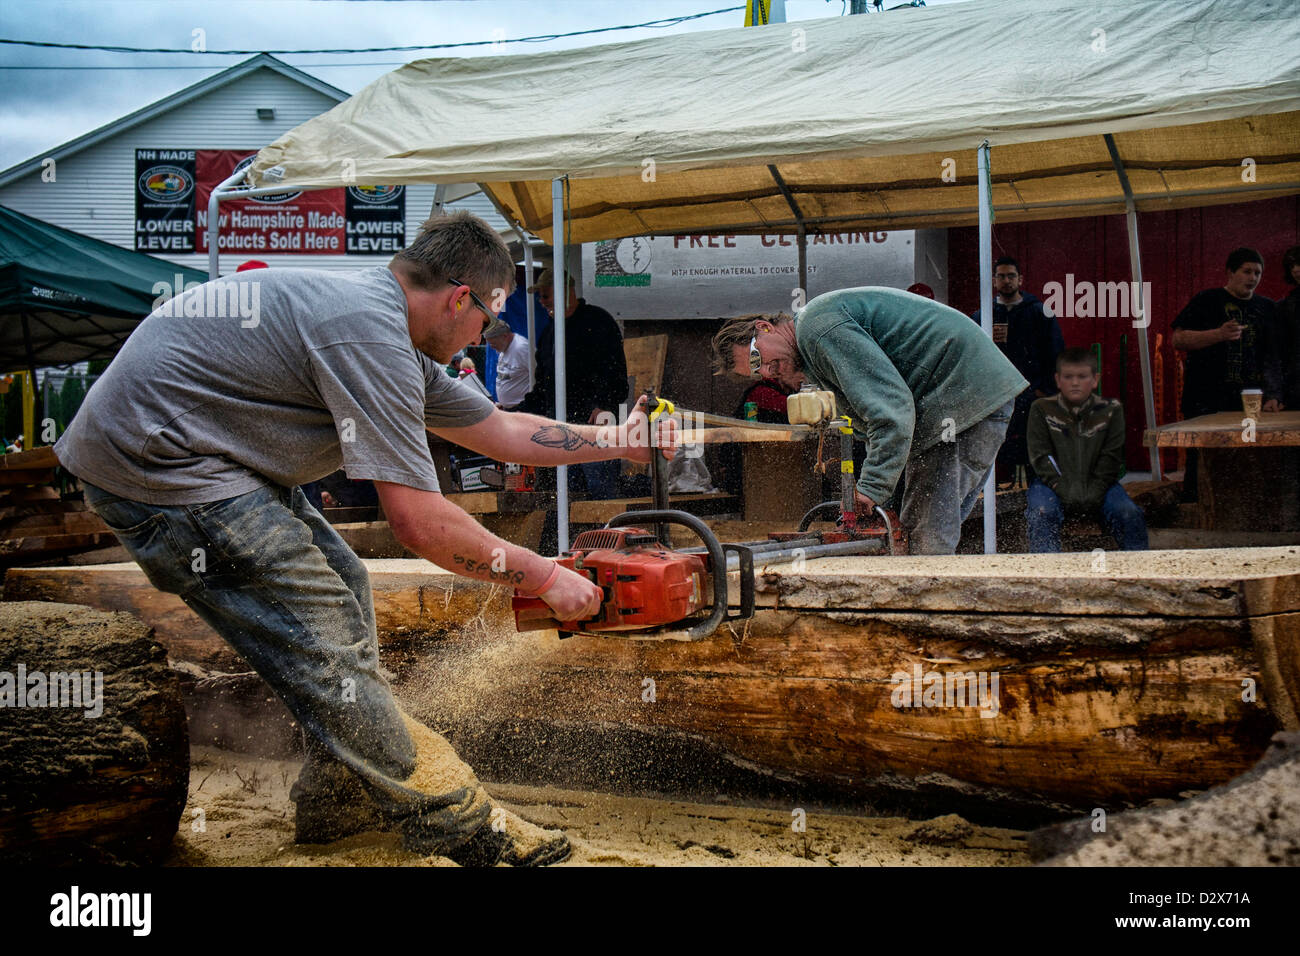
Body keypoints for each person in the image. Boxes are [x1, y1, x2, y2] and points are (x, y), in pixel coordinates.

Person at [54, 211, 675, 866]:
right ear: (460, 297)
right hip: (159, 469)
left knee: (344, 582)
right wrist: (543, 577)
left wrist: (615, 442)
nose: (483, 338)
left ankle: (339, 798)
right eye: (486, 321)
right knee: (325, 632)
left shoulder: (389, 328)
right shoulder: (367, 334)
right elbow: (420, 523)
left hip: (211, 454)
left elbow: (497, 430)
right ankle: (458, 823)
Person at [711, 287, 1027, 555]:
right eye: (756, 373)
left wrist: (872, 490)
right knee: (925, 527)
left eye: (757, 359)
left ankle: (922, 621)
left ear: (765, 327)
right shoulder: (815, 339)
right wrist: (883, 496)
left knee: (926, 537)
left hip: (959, 395)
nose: (767, 373)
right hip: (973, 395)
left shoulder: (816, 330)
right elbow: (879, 420)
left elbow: (890, 414)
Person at [1172, 246, 1278, 499]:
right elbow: (1178, 339)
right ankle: (1196, 514)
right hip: (1205, 396)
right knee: (1201, 461)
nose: (1252, 278)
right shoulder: (1206, 300)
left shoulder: (1268, 308)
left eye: (1257, 273)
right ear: (1230, 272)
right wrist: (1218, 334)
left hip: (1249, 399)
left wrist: (1273, 394)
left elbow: (1274, 357)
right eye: (1246, 271)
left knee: (1249, 458)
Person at [515, 268, 629, 498]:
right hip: (560, 430)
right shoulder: (549, 334)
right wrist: (514, 412)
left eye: (545, 295)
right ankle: (576, 536)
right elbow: (543, 388)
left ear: (566, 291)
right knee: (568, 497)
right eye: (540, 297)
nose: (541, 301)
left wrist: (604, 406)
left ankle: (606, 533)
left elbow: (616, 374)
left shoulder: (598, 322)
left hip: (595, 427)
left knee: (601, 496)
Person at [1025, 347, 1148, 552]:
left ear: (1095, 379)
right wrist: (1063, 488)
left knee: (1128, 513)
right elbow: (1040, 456)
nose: (1075, 382)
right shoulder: (1040, 409)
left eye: (1082, 376)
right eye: (1068, 377)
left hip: (1100, 483)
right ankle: (1045, 574)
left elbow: (1111, 457)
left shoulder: (1111, 410)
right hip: (1051, 483)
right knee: (1041, 512)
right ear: (1058, 380)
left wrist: (1093, 491)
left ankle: (1140, 572)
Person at [970, 256, 1065, 479]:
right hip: (997, 396)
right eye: (1001, 276)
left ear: (1020, 279)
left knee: (1036, 450)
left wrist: (1045, 390)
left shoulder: (1040, 313)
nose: (1006, 280)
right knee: (998, 450)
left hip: (1032, 394)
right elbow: (972, 358)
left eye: (1011, 275)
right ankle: (1001, 502)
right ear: (994, 280)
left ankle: (1038, 499)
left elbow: (1057, 353)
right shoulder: (983, 316)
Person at [1265, 244, 1300, 411]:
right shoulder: (1285, 307)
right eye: (1292, 266)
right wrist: (1275, 394)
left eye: (1299, 264)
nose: (1296, 270)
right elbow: (1274, 354)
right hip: (1295, 389)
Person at [484, 316, 532, 409]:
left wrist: (526, 407)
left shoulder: (521, 348)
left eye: (494, 344)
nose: (492, 347)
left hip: (521, 408)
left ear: (505, 336)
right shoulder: (503, 348)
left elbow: (537, 376)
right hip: (508, 408)